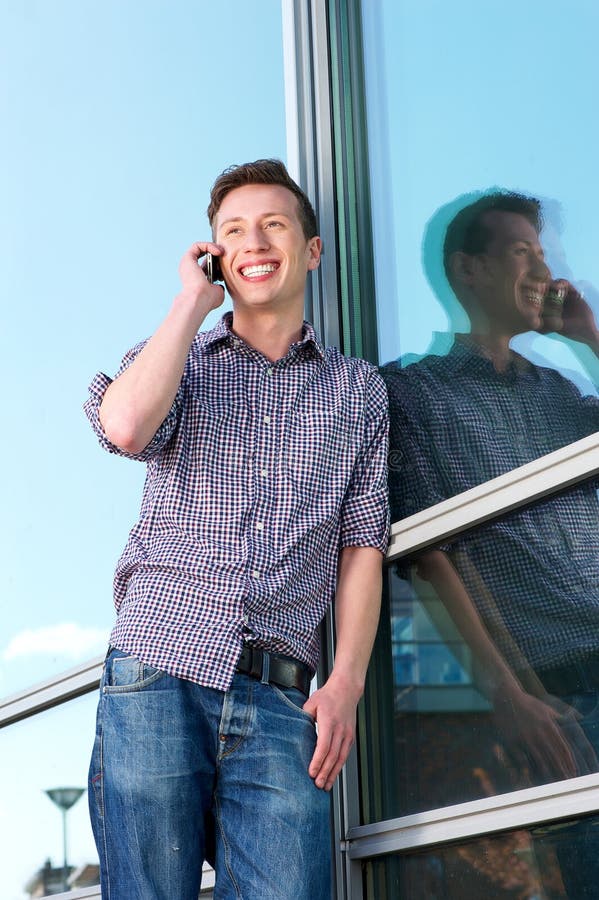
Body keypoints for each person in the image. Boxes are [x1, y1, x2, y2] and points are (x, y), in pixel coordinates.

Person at [84, 159, 389, 900]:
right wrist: (191, 304)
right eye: (233, 231)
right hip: (158, 671)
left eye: (274, 225)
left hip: (283, 700)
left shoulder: (357, 391)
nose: (255, 241)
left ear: (311, 250)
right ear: (216, 254)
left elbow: (362, 544)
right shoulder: (177, 361)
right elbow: (122, 426)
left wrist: (345, 679)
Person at [382, 191, 599, 896]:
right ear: (467, 270)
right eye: (521, 252)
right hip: (559, 688)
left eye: (542, 252)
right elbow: (426, 552)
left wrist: (590, 339)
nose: (543, 268)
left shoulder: (562, 393)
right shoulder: (414, 394)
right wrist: (507, 695)